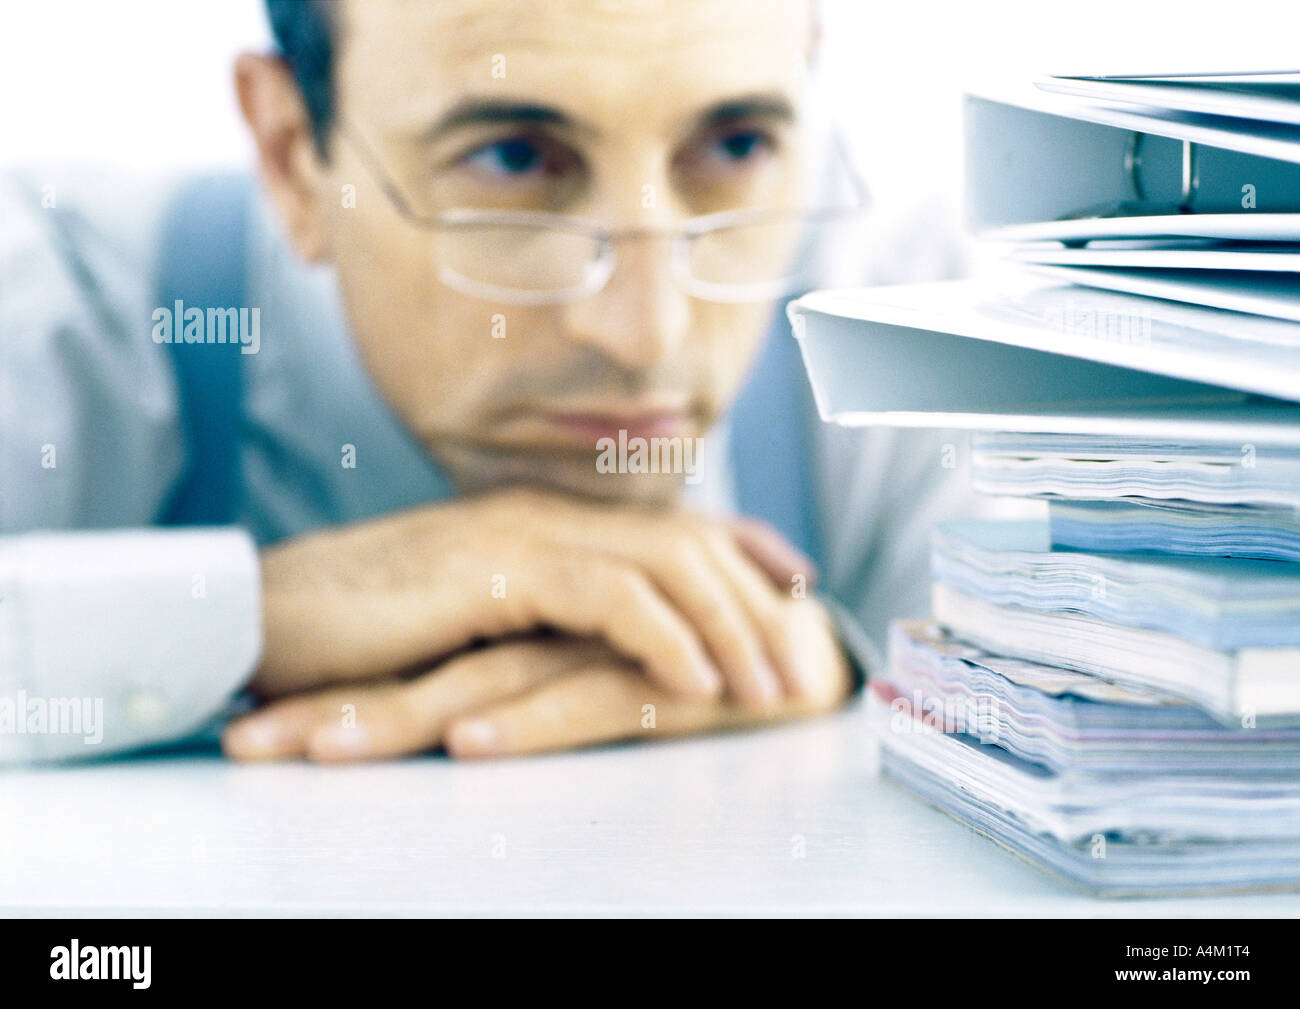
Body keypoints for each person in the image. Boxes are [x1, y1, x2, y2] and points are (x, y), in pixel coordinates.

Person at [0, 0, 977, 764]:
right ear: (296, 160)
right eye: (514, 160)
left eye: (734, 148)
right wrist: (260, 611)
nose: (645, 334)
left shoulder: (935, 321)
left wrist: (838, 662)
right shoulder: (50, 310)